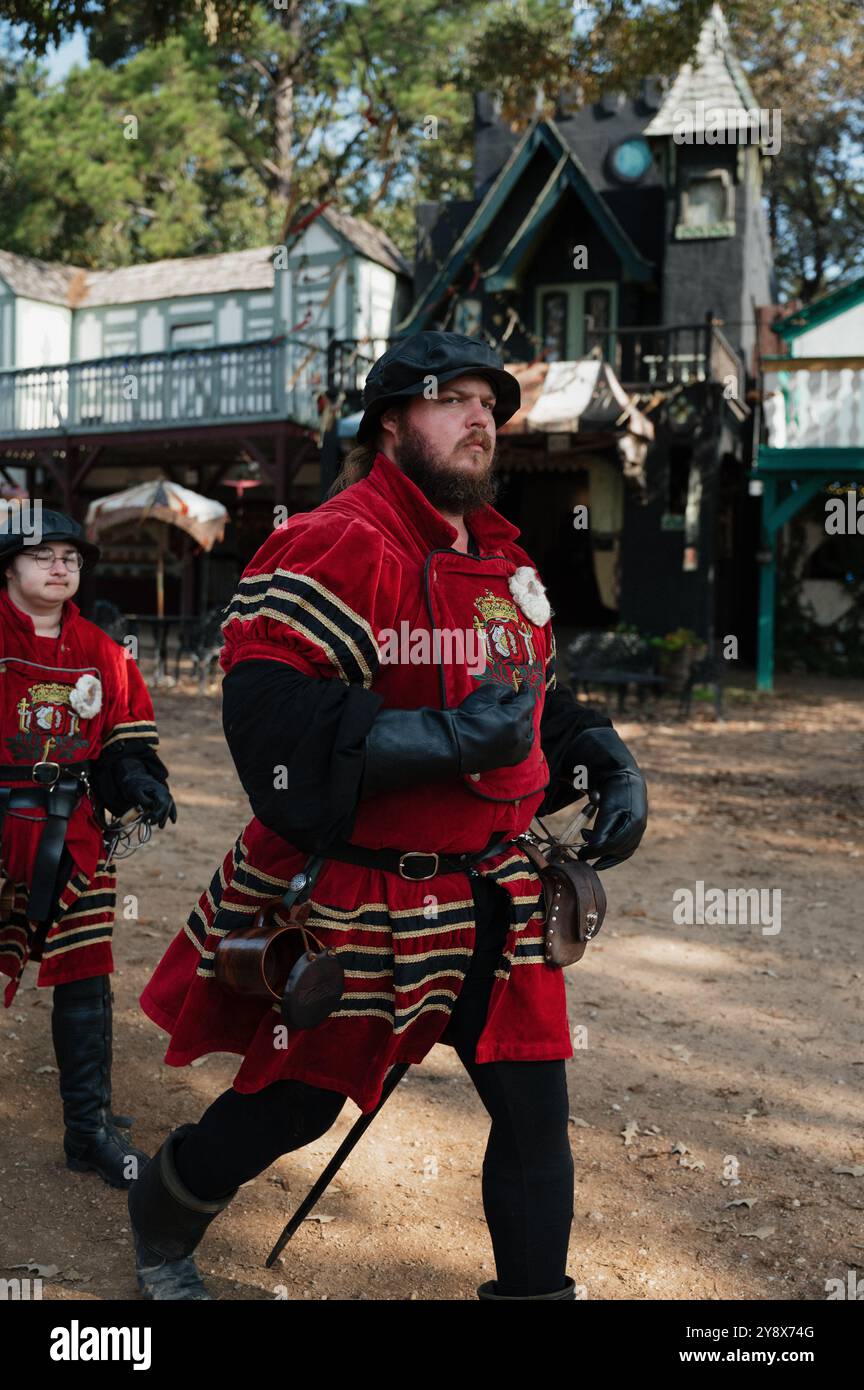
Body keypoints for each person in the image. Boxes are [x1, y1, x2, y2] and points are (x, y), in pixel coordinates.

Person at [129, 332, 648, 1300]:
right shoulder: (338, 538)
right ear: (390, 423)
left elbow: (534, 701)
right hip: (368, 889)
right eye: (451, 398)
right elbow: (269, 720)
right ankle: (163, 1215)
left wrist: (602, 759)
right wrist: (450, 741)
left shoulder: (498, 553)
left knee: (535, 1112)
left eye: (490, 402)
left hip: (499, 884)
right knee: (295, 1105)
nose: (479, 416)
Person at [0, 508, 177, 1189]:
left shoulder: (107, 652)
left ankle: (87, 1131)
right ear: (10, 566)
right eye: (42, 554)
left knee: (85, 980)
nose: (59, 567)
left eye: (71, 557)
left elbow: (124, 745)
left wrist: (139, 782)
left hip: (74, 834)